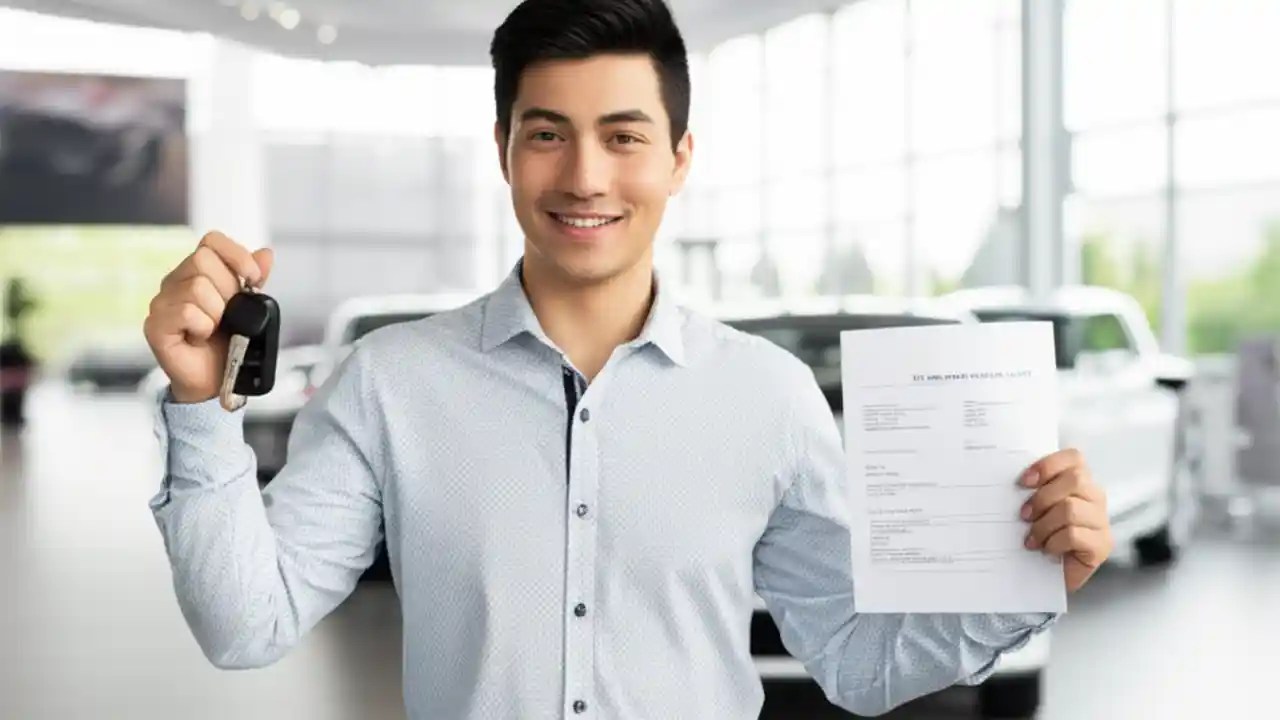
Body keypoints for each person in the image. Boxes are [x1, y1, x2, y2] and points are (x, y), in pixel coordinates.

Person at [141, 0, 1114, 717]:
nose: (585, 177)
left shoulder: (768, 396)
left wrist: (1023, 584)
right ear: (503, 147)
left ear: (679, 158)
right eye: (548, 135)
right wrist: (197, 406)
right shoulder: (389, 382)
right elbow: (246, 625)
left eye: (623, 137)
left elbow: (855, 663)